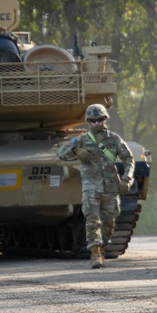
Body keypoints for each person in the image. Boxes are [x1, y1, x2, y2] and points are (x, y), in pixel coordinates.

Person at [57, 104, 134, 268]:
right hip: (90, 187)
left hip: (110, 188)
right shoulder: (82, 141)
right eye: (93, 121)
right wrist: (76, 151)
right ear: (88, 122)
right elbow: (61, 153)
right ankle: (95, 255)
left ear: (105, 119)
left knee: (108, 224)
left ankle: (102, 247)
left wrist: (127, 179)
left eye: (100, 120)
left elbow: (129, 159)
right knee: (92, 220)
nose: (97, 123)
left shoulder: (114, 139)